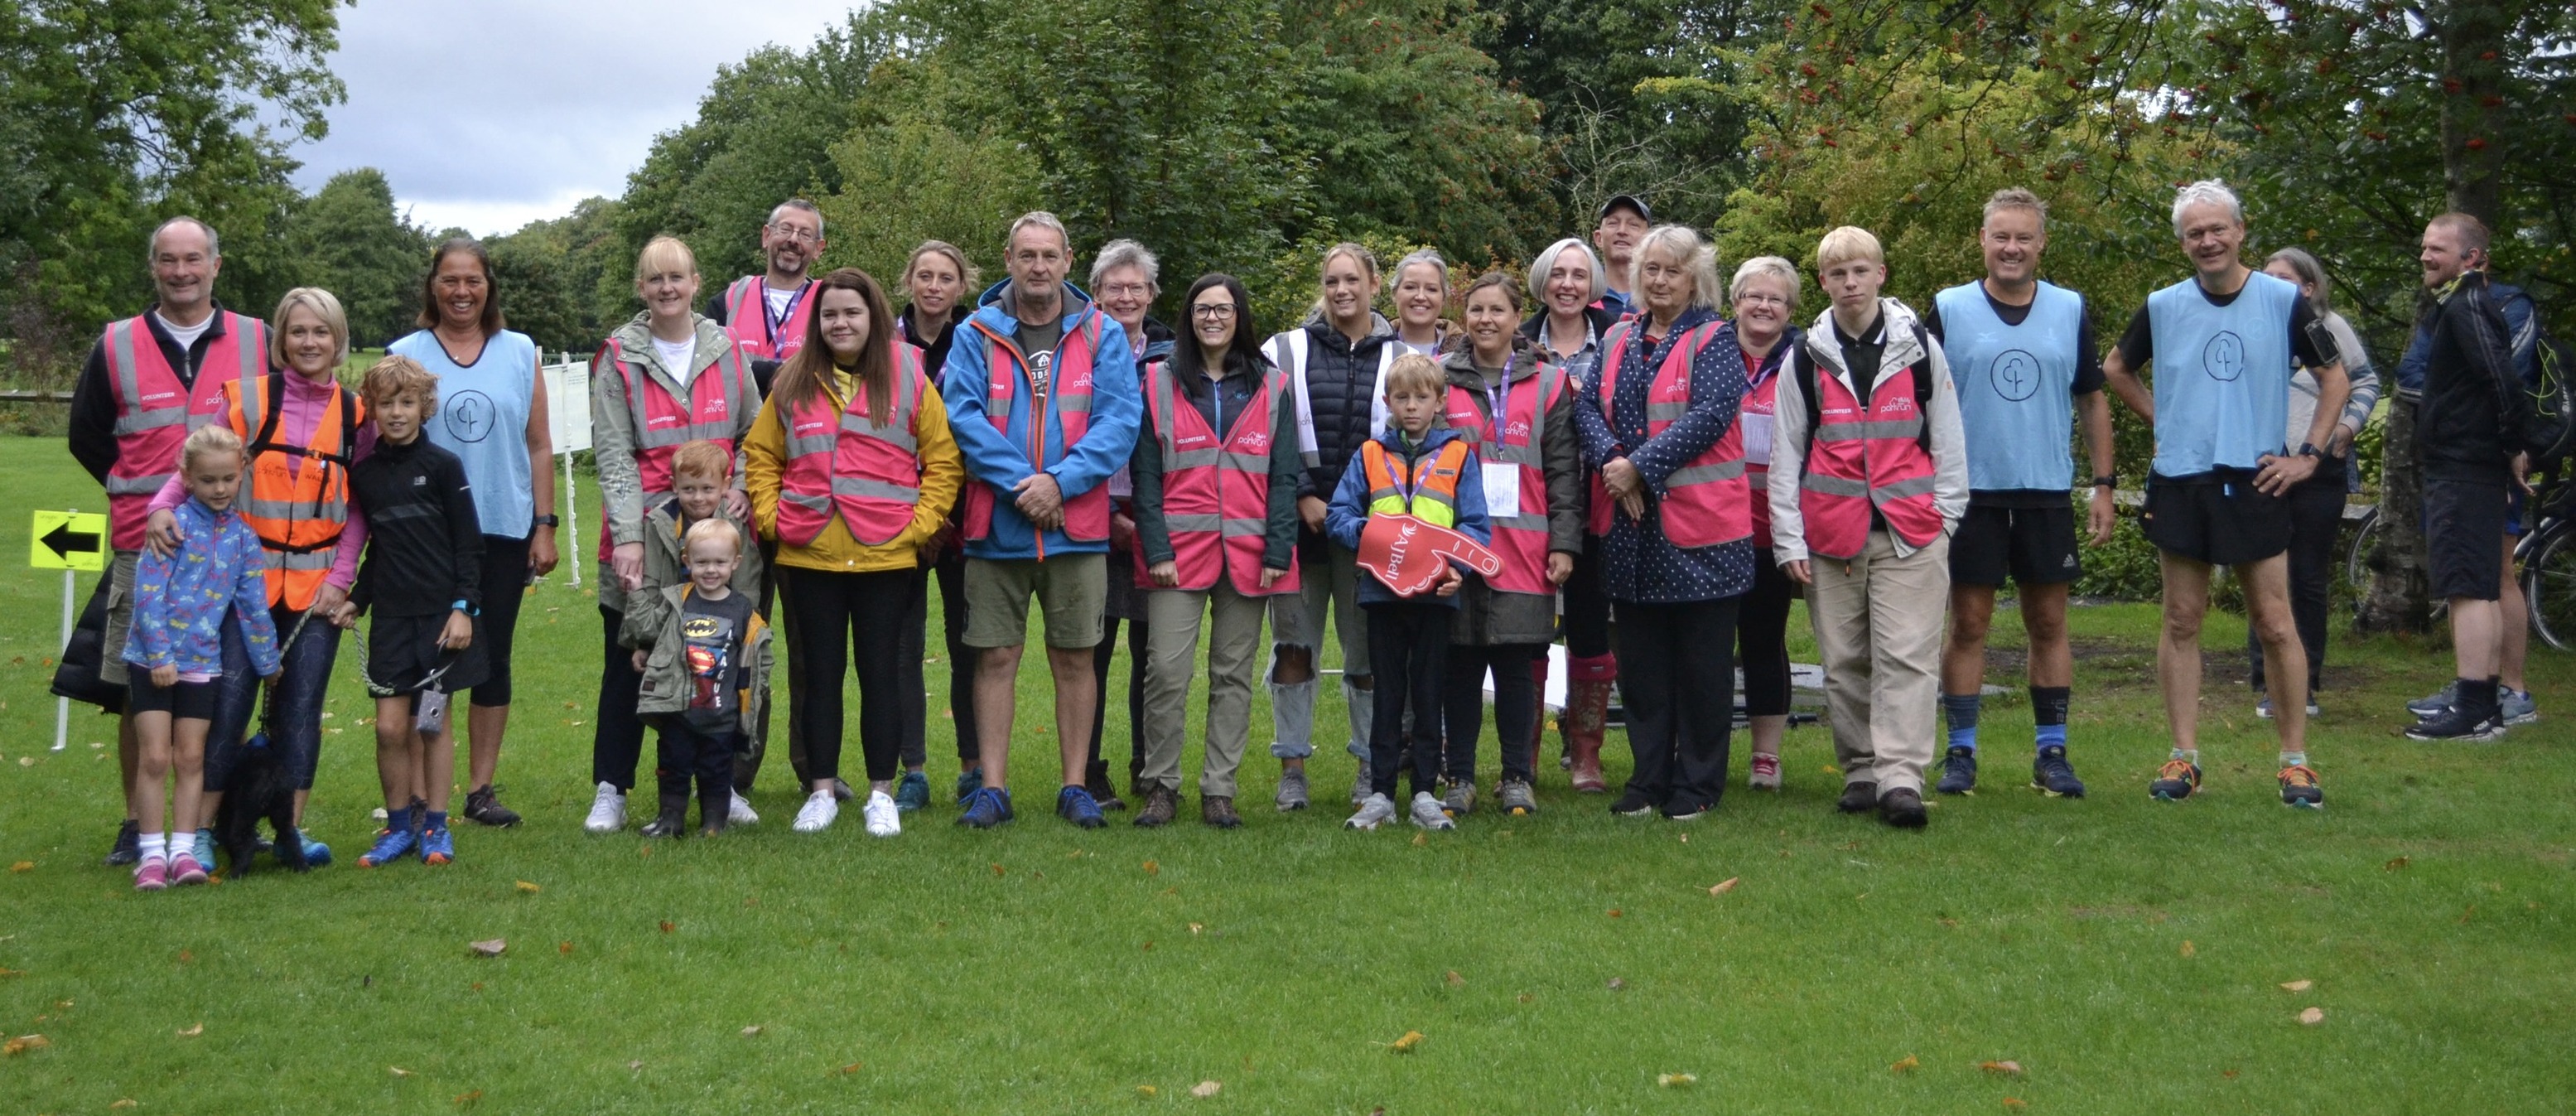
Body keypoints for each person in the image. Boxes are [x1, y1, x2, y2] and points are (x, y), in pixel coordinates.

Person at [2101, 180, 2350, 808]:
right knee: (2182, 618)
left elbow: (2336, 379)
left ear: (2240, 231)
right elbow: (2115, 367)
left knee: (2274, 621)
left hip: (2258, 478)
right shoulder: (2162, 305)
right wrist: (2167, 418)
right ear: (2182, 241)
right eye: (2194, 232)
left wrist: (2307, 459)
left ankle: (2295, 760)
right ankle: (2183, 756)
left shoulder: (2282, 301)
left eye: (2218, 229)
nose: (2207, 241)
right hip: (2182, 479)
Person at [140, 287, 371, 868]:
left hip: (316, 589)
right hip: (241, 587)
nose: (310, 342)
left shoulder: (355, 413)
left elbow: (361, 505)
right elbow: (197, 461)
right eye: (298, 331)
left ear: (339, 340)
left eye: (321, 331)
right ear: (280, 340)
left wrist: (342, 578)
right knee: (231, 701)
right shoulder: (248, 401)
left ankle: (290, 828)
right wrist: (161, 508)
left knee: (300, 708)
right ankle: (200, 833)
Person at [68, 215, 267, 868]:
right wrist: (137, 494)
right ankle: (137, 823)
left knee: (217, 685)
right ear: (153, 266)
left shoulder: (255, 340)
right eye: (167, 260)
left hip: (228, 546)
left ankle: (207, 822)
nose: (181, 271)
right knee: (137, 686)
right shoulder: (117, 343)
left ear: (216, 263)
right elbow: (87, 434)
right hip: (143, 546)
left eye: (193, 259)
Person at [940, 213, 1141, 830]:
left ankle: (1075, 784)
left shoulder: (1101, 332)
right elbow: (963, 416)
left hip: (1077, 524)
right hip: (998, 524)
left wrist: (1061, 482)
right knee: (995, 655)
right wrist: (1024, 485)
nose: (1038, 266)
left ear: (1068, 259)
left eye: (1049, 255)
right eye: (1027, 255)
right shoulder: (975, 332)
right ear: (1008, 259)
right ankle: (993, 789)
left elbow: (1119, 420)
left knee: (1076, 656)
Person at [748, 267, 963, 835]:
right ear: (818, 323)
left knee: (881, 674)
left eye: (852, 312)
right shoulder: (793, 379)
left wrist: (920, 527)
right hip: (808, 550)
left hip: (885, 554)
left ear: (874, 317)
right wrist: (770, 518)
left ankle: (881, 793)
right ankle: (820, 790)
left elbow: (942, 459)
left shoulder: (909, 376)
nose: (841, 323)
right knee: (818, 674)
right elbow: (761, 454)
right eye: (830, 314)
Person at [1772, 225, 1971, 829]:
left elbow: (1949, 437)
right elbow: (1786, 451)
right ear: (1824, 283)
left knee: (1907, 656)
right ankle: (1860, 768)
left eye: (1860, 271)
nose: (1850, 283)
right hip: (1832, 533)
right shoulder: (1804, 356)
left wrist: (1946, 515)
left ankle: (1901, 777)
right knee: (1845, 658)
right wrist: (1788, 538)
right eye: (1838, 274)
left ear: (1881, 274)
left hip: (1911, 529)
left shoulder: (1919, 347)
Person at [1924, 188, 2115, 799]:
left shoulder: (2068, 308)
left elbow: (2091, 398)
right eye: (2000, 236)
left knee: (2048, 621)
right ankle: (1961, 753)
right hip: (1969, 493)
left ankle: (2052, 753)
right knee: (1969, 622)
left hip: (2045, 491)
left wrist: (2104, 485)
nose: (2012, 247)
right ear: (1982, 239)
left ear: (2041, 244)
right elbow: (1917, 400)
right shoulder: (1948, 309)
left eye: (2023, 237)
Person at [584, 236, 763, 834]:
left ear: (695, 281)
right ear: (642, 287)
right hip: (649, 531)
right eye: (655, 279)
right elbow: (612, 453)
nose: (667, 288)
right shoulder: (620, 354)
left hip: (720, 536)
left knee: (723, 658)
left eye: (677, 278)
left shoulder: (728, 347)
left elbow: (753, 432)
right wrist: (629, 534)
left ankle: (724, 782)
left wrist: (737, 484)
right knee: (631, 660)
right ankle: (612, 785)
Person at [1575, 225, 1753, 821]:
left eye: (1671, 270)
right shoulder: (1620, 335)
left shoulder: (1715, 338)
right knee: (1645, 668)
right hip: (1629, 532)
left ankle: (1696, 784)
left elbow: (1710, 415)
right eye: (1650, 268)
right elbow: (1585, 406)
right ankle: (1647, 779)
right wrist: (1611, 465)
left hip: (1702, 534)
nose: (1657, 280)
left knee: (1703, 668)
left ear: (1694, 277)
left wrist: (1638, 470)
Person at [385, 239, 557, 828]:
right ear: (432, 286)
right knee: (429, 661)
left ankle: (480, 788)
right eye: (450, 280)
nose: (462, 291)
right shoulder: (405, 352)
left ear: (489, 287)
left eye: (473, 280)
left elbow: (538, 444)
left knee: (492, 658)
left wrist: (544, 524)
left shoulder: (520, 351)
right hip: (425, 536)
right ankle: (417, 792)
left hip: (504, 529)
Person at [1129, 273, 1302, 829]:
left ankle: (1219, 789)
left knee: (1233, 673)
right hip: (1176, 551)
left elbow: (1283, 476)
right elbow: (1146, 475)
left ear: (1239, 316)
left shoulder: (1271, 385)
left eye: (1223, 309)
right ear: (1188, 316)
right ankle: (1161, 784)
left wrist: (1280, 546)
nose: (1213, 318)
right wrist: (1155, 546)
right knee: (1166, 672)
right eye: (1203, 309)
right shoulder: (1157, 381)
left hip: (1252, 551)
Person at [331, 355, 488, 867]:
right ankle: (399, 826)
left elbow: (469, 545)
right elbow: (381, 550)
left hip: (443, 622)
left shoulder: (444, 466)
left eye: (406, 402)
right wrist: (358, 598)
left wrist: (463, 608)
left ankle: (437, 828)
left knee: (433, 725)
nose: (396, 413)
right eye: (385, 403)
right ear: (371, 409)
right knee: (389, 728)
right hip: (392, 623)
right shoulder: (367, 475)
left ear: (425, 407)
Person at [1330, 354, 1491, 831]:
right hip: (1381, 592)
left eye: (1422, 397)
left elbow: (1476, 527)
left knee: (1427, 691)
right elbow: (1339, 516)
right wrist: (1376, 534)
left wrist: (1458, 568)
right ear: (1388, 402)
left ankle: (1423, 790)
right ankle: (1380, 792)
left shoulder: (1459, 455)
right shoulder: (1369, 454)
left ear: (1440, 402)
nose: (1412, 406)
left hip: (1436, 596)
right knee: (1387, 693)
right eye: (1402, 398)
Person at [1265, 244, 1398, 809]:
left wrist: (1354, 513)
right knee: (1294, 647)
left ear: (1373, 281)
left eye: (1352, 279)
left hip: (1367, 529)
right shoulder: (1286, 348)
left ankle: (1369, 765)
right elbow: (1265, 432)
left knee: (1367, 653)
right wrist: (1301, 497)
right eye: (1331, 280)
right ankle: (1292, 766)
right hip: (1300, 526)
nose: (1342, 290)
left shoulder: (1403, 353)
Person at [1440, 273, 1578, 818]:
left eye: (1497, 310)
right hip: (1457, 549)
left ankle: (1518, 774)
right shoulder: (1440, 379)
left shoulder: (1548, 384)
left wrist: (1565, 543)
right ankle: (1462, 776)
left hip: (1527, 549)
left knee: (1519, 667)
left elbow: (1566, 470)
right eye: (1476, 310)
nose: (1485, 320)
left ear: (1517, 317)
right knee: (1461, 666)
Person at [123, 424, 282, 890]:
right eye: (208, 480)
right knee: (155, 757)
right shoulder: (171, 525)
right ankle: (151, 856)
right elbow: (147, 596)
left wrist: (268, 663)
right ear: (186, 477)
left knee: (192, 757)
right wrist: (160, 656)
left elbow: (253, 608)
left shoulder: (244, 539)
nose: (219, 489)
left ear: (241, 475)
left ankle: (185, 851)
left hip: (203, 664)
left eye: (228, 479)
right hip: (153, 661)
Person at [2399, 219, 2541, 729]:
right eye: (2423, 248)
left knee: (2469, 586)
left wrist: (2513, 448)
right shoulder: (2459, 306)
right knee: (2473, 584)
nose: (2425, 257)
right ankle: (2476, 702)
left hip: (2466, 466)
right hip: (2462, 464)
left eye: (2437, 249)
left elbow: (2503, 378)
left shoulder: (2469, 306)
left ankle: (2477, 711)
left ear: (2473, 258)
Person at [2244, 247, 2380, 720]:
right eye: (2268, 278)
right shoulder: (2252, 329)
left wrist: (2343, 432)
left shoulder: (2331, 328)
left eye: (2286, 279)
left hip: (2318, 468)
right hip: (2262, 463)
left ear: (2309, 287)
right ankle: (2265, 680)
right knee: (2262, 573)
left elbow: (2365, 383)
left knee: (2306, 578)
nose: (2275, 287)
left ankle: (2306, 683)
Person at [613, 441, 766, 823]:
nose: (698, 498)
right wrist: (643, 643)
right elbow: (651, 586)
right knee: (676, 729)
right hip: (672, 640)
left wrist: (744, 643)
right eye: (689, 489)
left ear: (726, 485)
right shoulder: (659, 522)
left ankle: (721, 798)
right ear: (673, 485)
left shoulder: (737, 523)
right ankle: (672, 811)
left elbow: (747, 589)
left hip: (723, 642)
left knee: (720, 719)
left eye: (708, 489)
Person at [1518, 237, 1623, 791]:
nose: (1567, 284)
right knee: (1530, 630)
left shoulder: (1616, 340)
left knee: (1589, 629)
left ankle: (1586, 754)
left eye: (1579, 275)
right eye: (1558, 273)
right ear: (1542, 280)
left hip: (1597, 502)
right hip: (1532, 505)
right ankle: (1525, 754)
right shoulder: (1517, 342)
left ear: (1594, 284)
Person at [894, 239, 985, 811]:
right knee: (901, 648)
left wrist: (945, 514)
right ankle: (913, 771)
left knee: (968, 644)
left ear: (961, 286)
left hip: (963, 515)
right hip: (897, 516)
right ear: (908, 281)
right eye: (923, 275)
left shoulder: (979, 341)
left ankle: (974, 765)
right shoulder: (884, 343)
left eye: (944, 277)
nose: (933, 286)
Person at [1087, 239, 1176, 811]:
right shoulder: (1077, 351)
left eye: (1135, 287)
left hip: (1153, 521)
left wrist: (1144, 517)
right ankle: (1087, 770)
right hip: (1091, 517)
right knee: (1088, 651)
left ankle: (1151, 766)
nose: (1125, 296)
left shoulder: (1173, 357)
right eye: (1113, 287)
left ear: (1151, 294)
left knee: (1155, 653)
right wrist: (1104, 512)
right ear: (1095, 294)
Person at [627, 519, 774, 837]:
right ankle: (670, 819)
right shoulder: (678, 600)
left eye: (720, 562)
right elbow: (649, 629)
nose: (711, 570)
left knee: (717, 771)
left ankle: (714, 823)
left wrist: (756, 689)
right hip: (679, 709)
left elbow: (761, 654)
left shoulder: (743, 610)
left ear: (735, 563)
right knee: (673, 766)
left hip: (721, 713)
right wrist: (638, 597)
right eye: (702, 562)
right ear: (687, 561)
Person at [1723, 257, 1807, 790]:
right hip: (1715, 521)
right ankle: (1700, 745)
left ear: (1791, 310)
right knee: (1706, 643)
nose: (1764, 306)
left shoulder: (1806, 361)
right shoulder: (1709, 353)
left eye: (1776, 299)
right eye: (1755, 296)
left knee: (1765, 638)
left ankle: (1765, 757)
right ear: (1735, 301)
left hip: (1773, 524)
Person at [707, 198, 827, 391]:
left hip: (804, 419)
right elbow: (710, 370)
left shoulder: (830, 303)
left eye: (805, 235)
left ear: (818, 249)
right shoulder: (727, 302)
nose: (793, 240)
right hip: (744, 421)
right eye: (785, 229)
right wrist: (792, 372)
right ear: (766, 235)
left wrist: (751, 370)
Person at [1590, 195, 1652, 320]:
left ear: (1650, 240)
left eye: (1633, 225)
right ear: (1598, 238)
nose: (1622, 231)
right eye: (1613, 223)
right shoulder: (1582, 297)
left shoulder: (1662, 298)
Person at [1387, 249, 1454, 358]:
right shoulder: (1372, 349)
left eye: (1431, 289)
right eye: (1410, 287)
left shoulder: (1466, 353)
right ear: (1394, 293)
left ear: (1443, 299)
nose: (1420, 297)